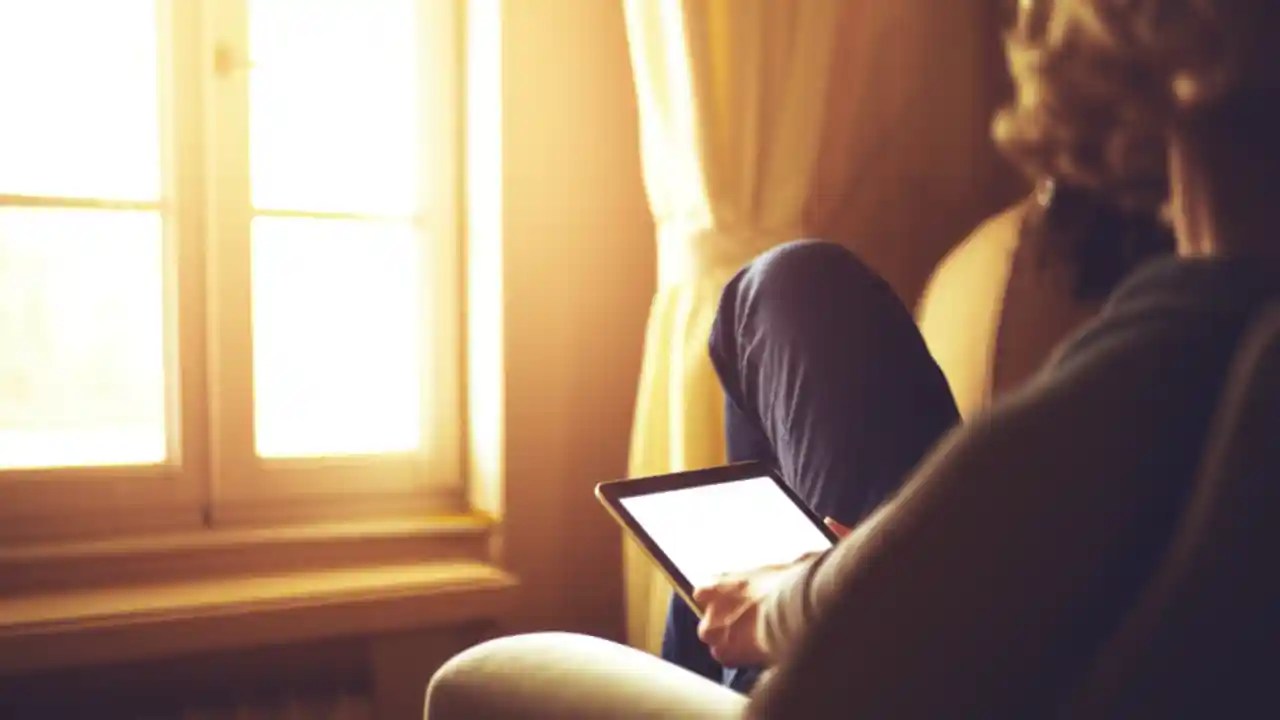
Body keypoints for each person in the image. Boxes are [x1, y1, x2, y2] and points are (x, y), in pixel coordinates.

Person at [690, 0, 1280, 716]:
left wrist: (781, 600)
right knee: (796, 286)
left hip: (890, 678)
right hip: (951, 606)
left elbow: (925, 575)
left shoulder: (1202, 331)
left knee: (584, 651)